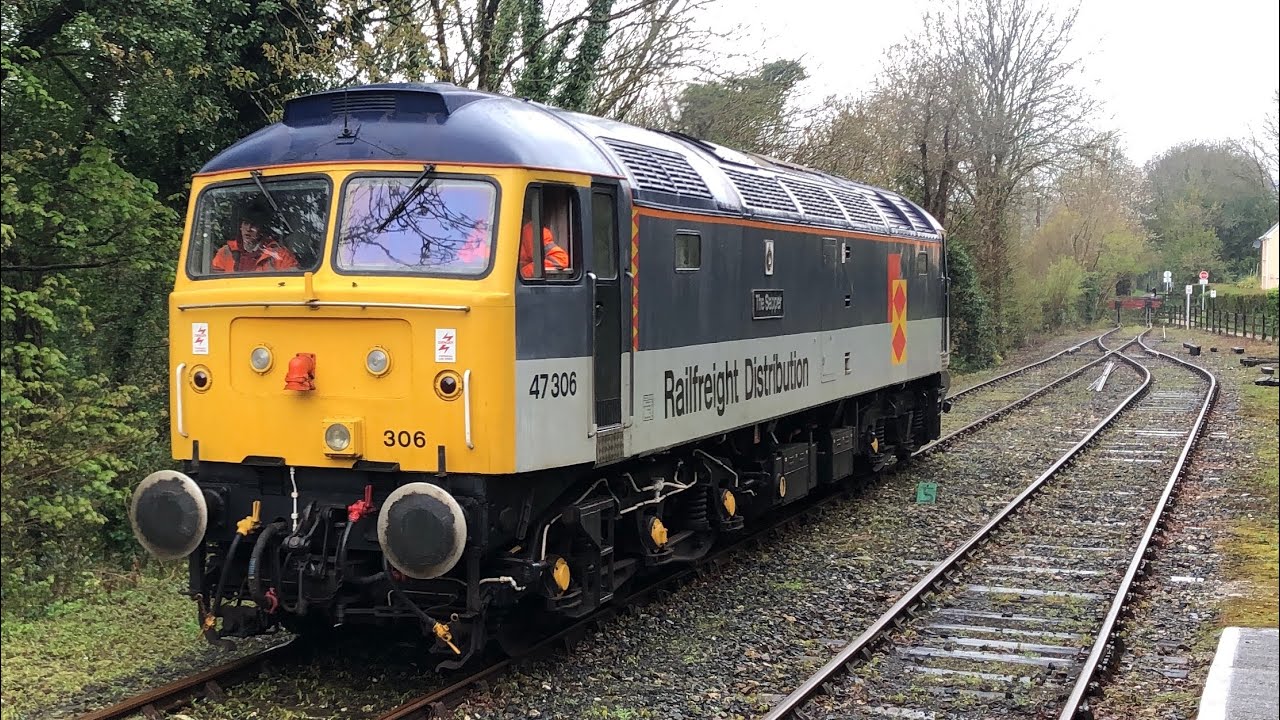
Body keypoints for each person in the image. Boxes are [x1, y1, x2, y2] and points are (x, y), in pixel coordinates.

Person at [212, 202, 300, 273]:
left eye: (254, 225)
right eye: (245, 223)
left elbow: (293, 283)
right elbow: (213, 285)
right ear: (240, 227)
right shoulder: (225, 253)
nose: (248, 229)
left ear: (262, 228)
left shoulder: (280, 255)